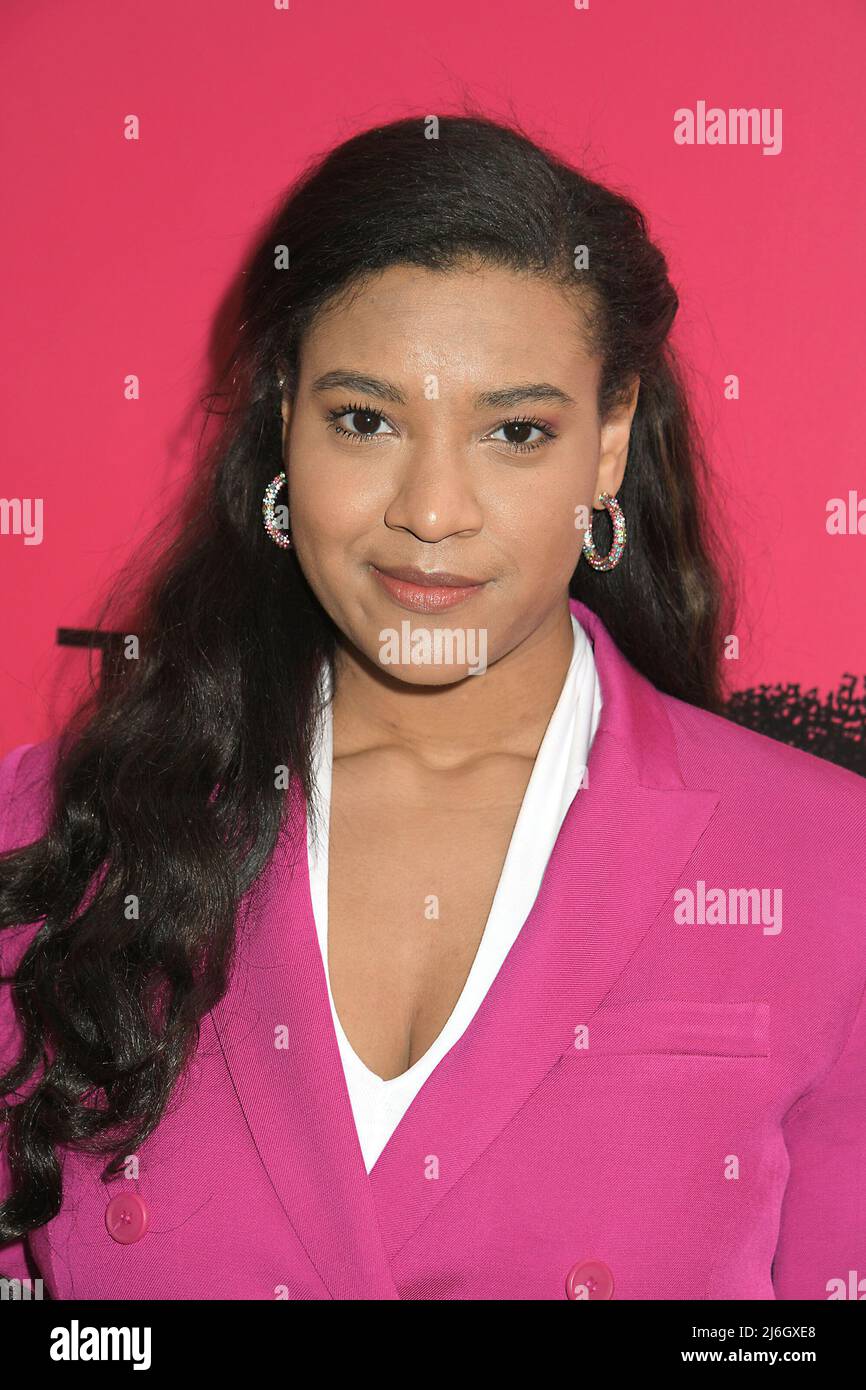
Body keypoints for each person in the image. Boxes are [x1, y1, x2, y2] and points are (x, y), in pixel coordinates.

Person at [1, 114, 864, 1301]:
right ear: (284, 425)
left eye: (516, 432)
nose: (432, 508)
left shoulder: (823, 864)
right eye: (365, 419)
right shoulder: (55, 833)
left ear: (607, 442)